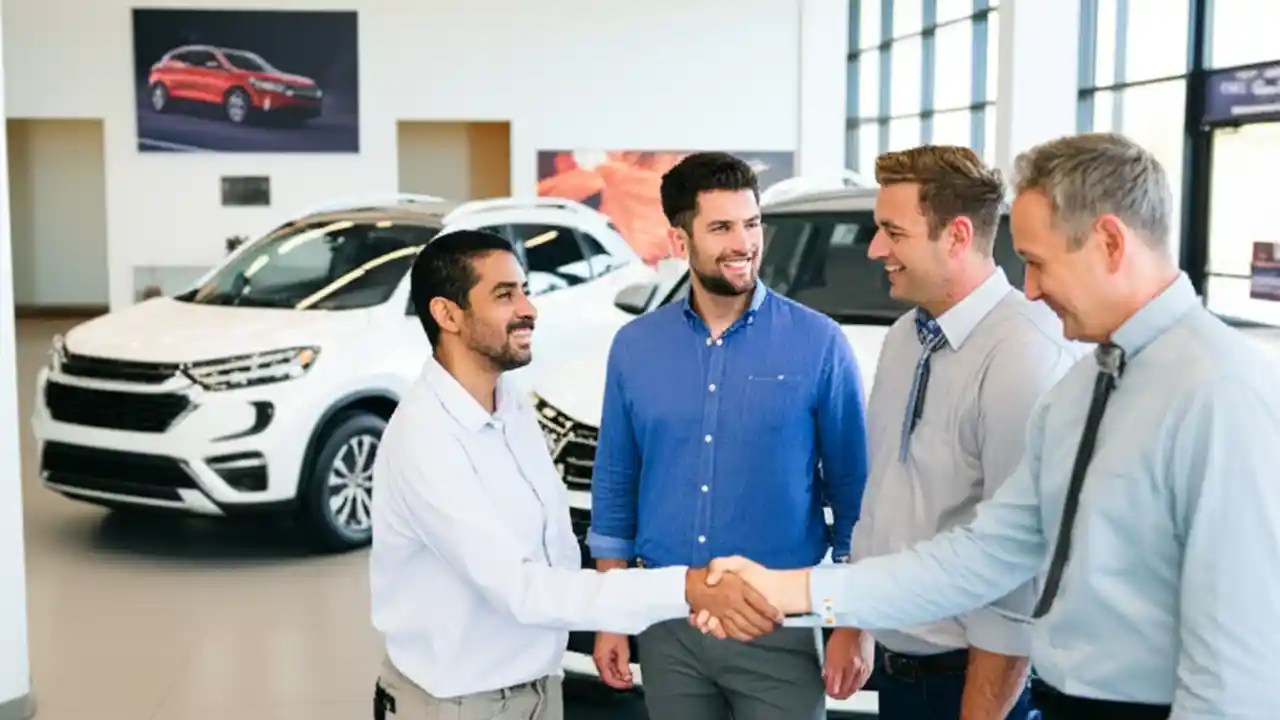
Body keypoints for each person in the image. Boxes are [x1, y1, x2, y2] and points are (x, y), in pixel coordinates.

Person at [696, 132, 1280, 719]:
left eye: (1036, 262)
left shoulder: (1220, 393)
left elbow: (1236, 670)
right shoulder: (1085, 388)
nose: (1028, 288)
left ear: (1108, 241)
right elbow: (983, 556)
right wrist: (794, 591)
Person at [368, 229, 781, 720]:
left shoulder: (511, 405)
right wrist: (686, 587)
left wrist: (609, 619)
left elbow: (556, 546)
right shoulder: (426, 439)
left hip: (537, 689)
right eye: (505, 295)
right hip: (457, 705)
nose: (529, 309)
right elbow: (521, 589)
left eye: (524, 289)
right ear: (447, 315)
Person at [588, 151, 870, 720]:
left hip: (778, 624)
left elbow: (854, 492)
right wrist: (611, 614)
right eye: (721, 228)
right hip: (669, 620)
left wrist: (852, 622)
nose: (743, 243)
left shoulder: (819, 343)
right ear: (679, 239)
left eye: (752, 223)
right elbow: (616, 486)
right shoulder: (635, 348)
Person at [823, 145, 1080, 719]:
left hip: (975, 684)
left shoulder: (1024, 353)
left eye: (893, 232)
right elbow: (882, 493)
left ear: (957, 236)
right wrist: (855, 620)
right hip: (900, 671)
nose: (874, 249)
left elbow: (1023, 568)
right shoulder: (905, 337)